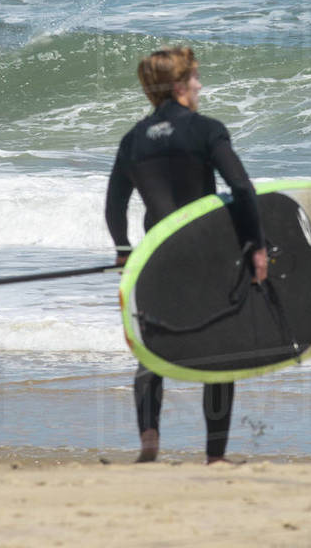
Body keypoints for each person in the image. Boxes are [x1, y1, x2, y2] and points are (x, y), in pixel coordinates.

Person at [105, 47, 269, 464]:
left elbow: (115, 205)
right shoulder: (206, 130)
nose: (200, 85)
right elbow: (243, 188)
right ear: (179, 86)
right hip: (206, 258)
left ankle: (149, 445)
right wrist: (256, 245)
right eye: (196, 78)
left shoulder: (134, 140)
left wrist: (124, 251)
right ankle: (215, 457)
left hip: (156, 258)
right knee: (219, 355)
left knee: (150, 352)